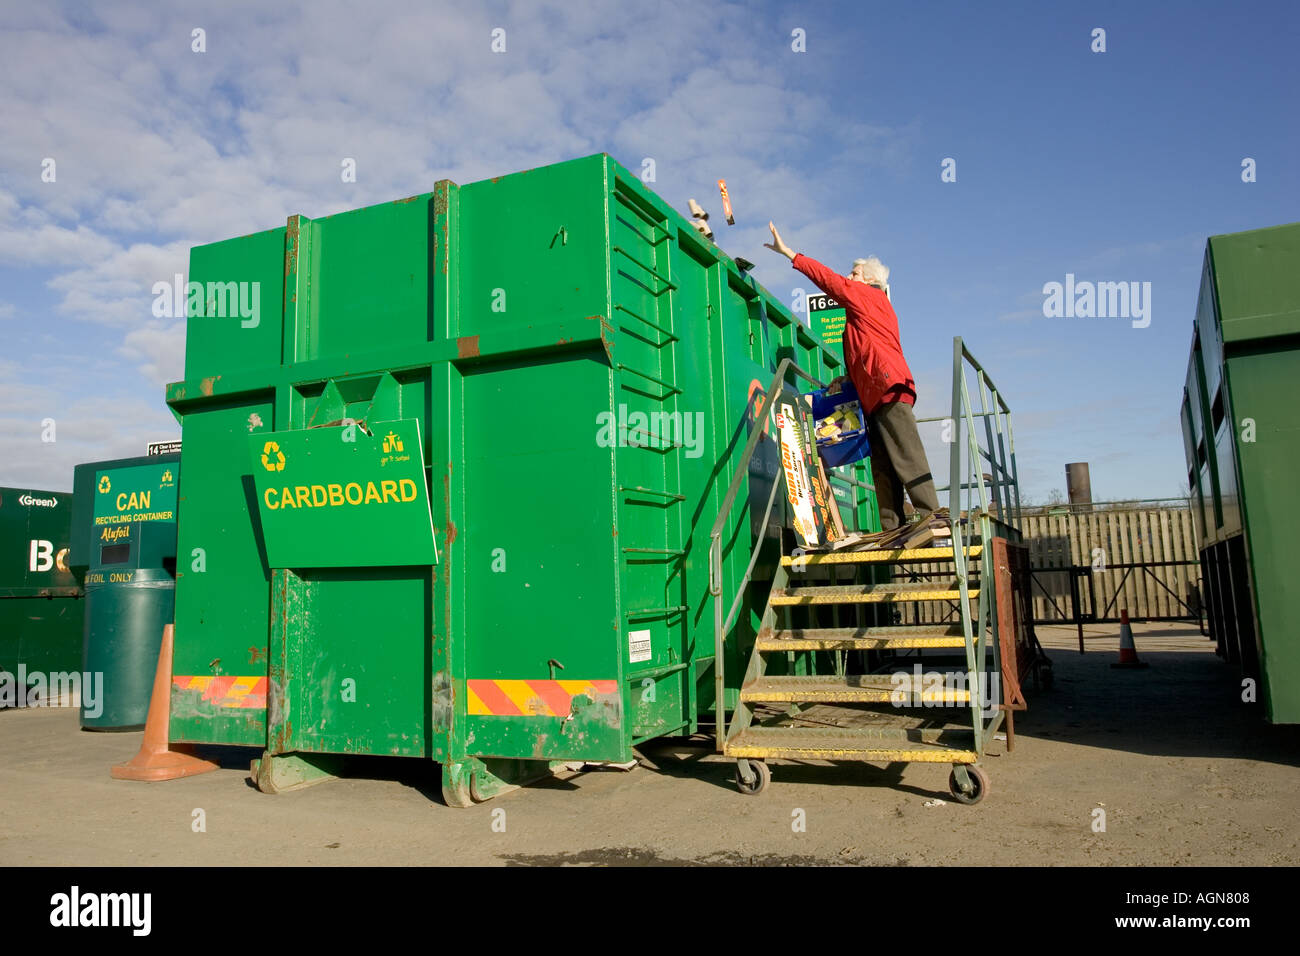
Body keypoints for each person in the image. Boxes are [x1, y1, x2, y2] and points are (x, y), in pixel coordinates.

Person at [764, 222, 941, 532]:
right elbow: (869, 353)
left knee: (907, 455)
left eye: (855, 274)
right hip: (875, 393)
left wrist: (791, 254)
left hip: (888, 388)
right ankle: (893, 529)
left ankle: (932, 516)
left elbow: (831, 282)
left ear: (870, 281)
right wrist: (848, 380)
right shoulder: (865, 313)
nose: (850, 278)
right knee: (884, 467)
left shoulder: (869, 296)